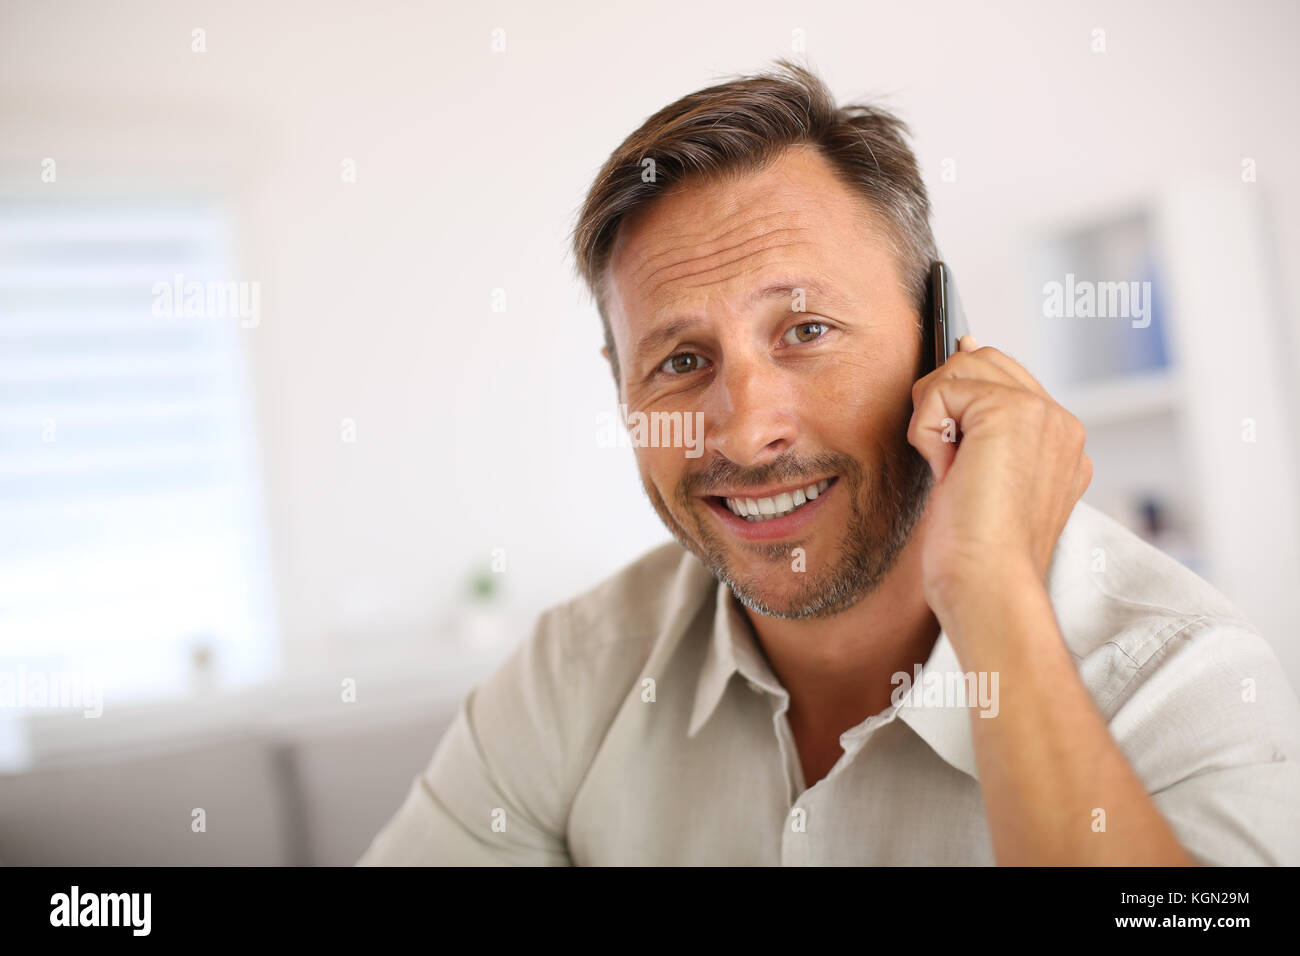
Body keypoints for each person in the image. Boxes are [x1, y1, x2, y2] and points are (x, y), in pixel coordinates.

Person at [358, 60, 1300, 865]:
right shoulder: (574, 674)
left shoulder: (1181, 679)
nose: (743, 432)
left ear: (945, 344)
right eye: (680, 362)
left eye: (807, 330)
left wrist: (993, 596)